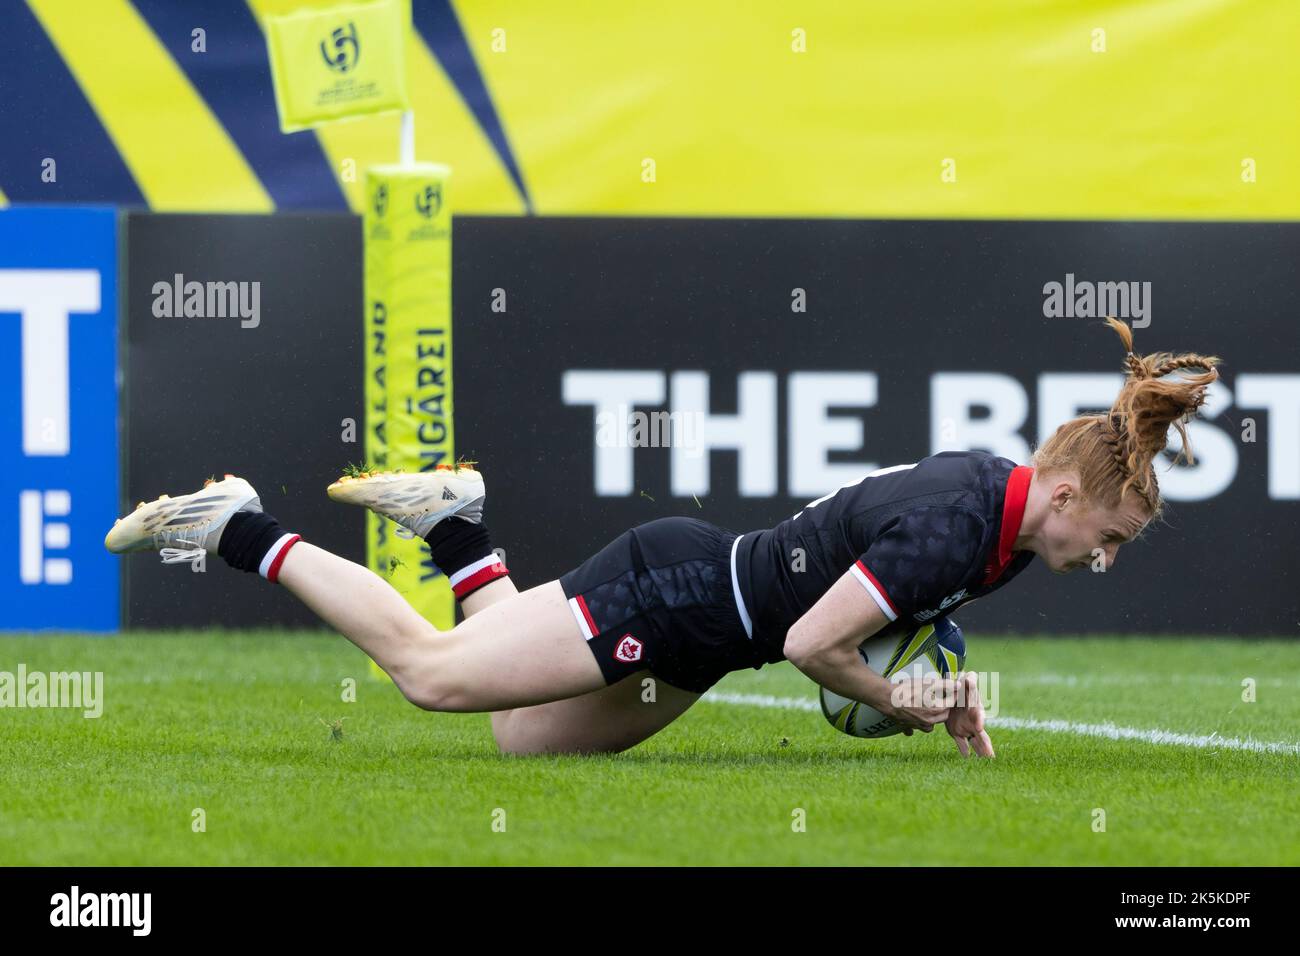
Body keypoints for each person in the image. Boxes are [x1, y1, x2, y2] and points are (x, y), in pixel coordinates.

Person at [105, 318, 1219, 758]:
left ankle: (457, 531)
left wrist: (942, 691)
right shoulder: (957, 524)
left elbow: (873, 624)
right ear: (1068, 495)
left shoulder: (1015, 517)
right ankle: (239, 525)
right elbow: (815, 649)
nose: (1102, 557)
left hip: (703, 634)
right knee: (434, 679)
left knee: (521, 746)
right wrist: (905, 702)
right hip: (677, 592)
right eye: (1108, 536)